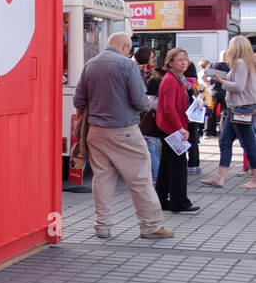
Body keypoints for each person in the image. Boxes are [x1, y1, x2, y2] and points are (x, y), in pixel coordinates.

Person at [72, 33, 172, 240]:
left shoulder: (90, 64)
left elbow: (79, 100)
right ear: (126, 47)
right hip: (124, 129)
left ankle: (102, 226)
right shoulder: (127, 65)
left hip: (96, 130)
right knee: (140, 178)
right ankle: (150, 225)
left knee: (102, 178)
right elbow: (141, 101)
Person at [201, 36, 256, 189]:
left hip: (241, 109)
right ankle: (219, 177)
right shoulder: (247, 62)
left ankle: (255, 179)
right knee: (224, 141)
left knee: (248, 144)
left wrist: (220, 81)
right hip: (238, 109)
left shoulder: (240, 63)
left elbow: (239, 87)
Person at [156, 47, 198, 213]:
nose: (184, 62)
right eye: (180, 59)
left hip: (172, 127)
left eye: (185, 59)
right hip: (171, 128)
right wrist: (179, 128)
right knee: (178, 166)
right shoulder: (170, 80)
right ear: (170, 62)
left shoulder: (178, 79)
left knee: (167, 166)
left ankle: (161, 200)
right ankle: (179, 202)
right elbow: (168, 108)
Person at [135, 47, 161, 181]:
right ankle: (155, 175)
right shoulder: (140, 72)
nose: (154, 60)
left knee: (151, 149)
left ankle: (155, 176)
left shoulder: (150, 74)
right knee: (152, 148)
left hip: (147, 117)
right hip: (148, 116)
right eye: (152, 57)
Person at [184, 60, 201, 173]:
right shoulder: (196, 84)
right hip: (194, 115)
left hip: (184, 115)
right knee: (194, 140)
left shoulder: (184, 84)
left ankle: (187, 164)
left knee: (184, 138)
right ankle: (194, 165)